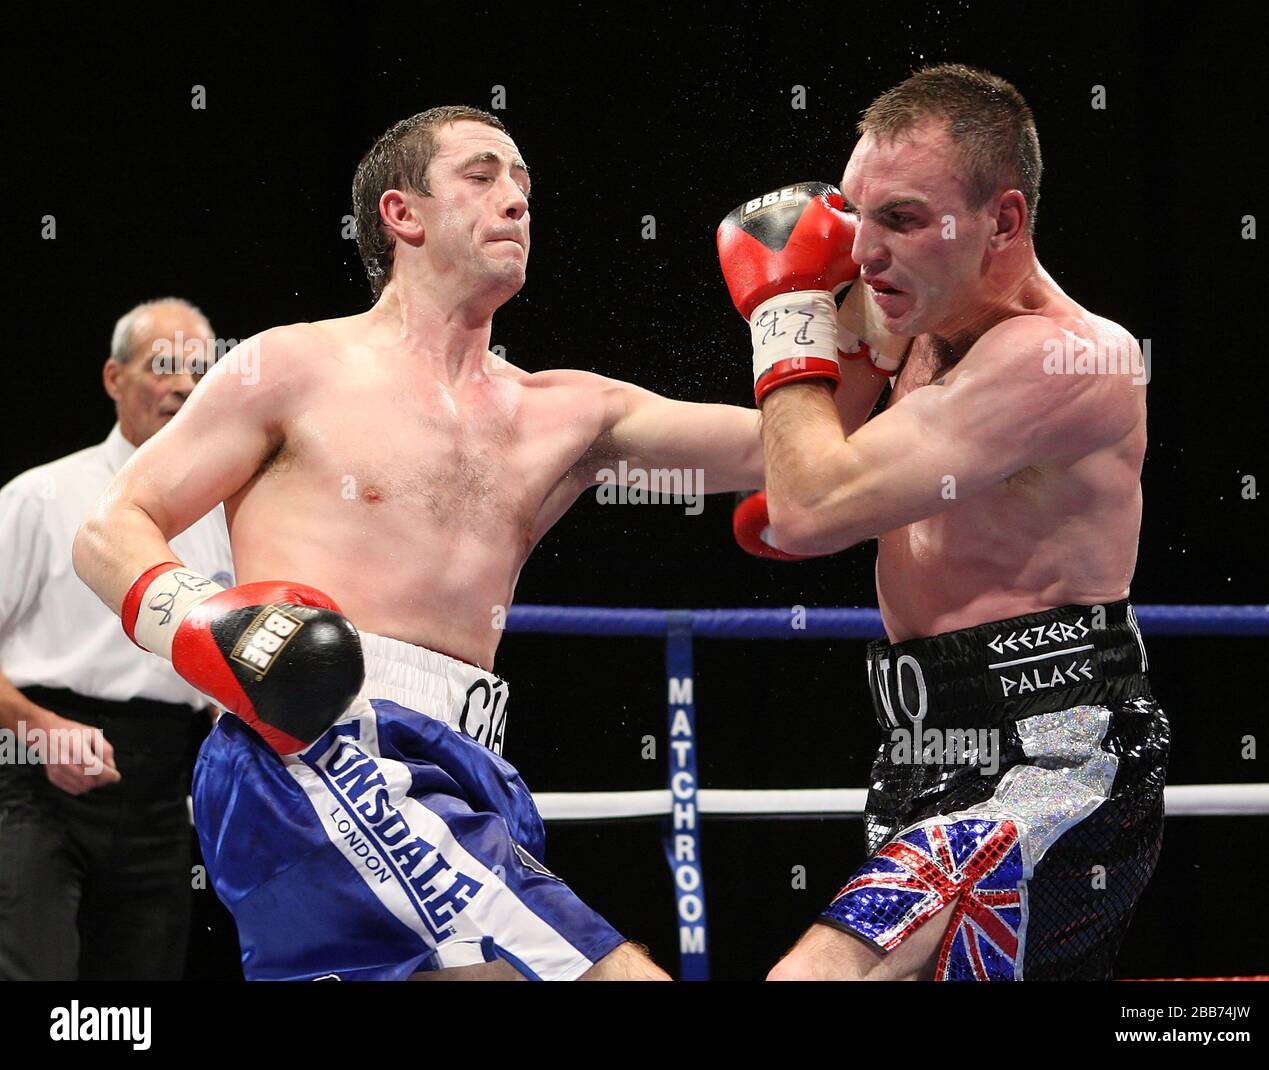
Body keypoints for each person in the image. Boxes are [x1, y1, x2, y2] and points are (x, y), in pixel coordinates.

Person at [73, 105, 765, 981]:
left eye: (522, 181)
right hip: (322, 741)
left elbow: (796, 460)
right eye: (482, 176)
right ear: (403, 214)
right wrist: (215, 635)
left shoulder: (568, 412)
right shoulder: (292, 366)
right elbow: (109, 528)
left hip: (472, 762)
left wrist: (809, 319)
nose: (515, 199)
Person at [717, 65, 1168, 981]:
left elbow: (808, 511)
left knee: (818, 978)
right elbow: (800, 456)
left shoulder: (1071, 357)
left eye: (904, 220)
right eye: (855, 214)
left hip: (1053, 746)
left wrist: (786, 311)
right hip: (919, 738)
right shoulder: (916, 326)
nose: (864, 251)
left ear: (1002, 221)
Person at [0, 298, 233, 980]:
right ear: (113, 378)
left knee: (135, 1008)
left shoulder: (226, 515)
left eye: (200, 368)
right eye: (165, 365)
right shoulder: (40, 498)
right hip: (35, 770)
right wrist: (38, 729)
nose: (187, 384)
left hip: (163, 784)